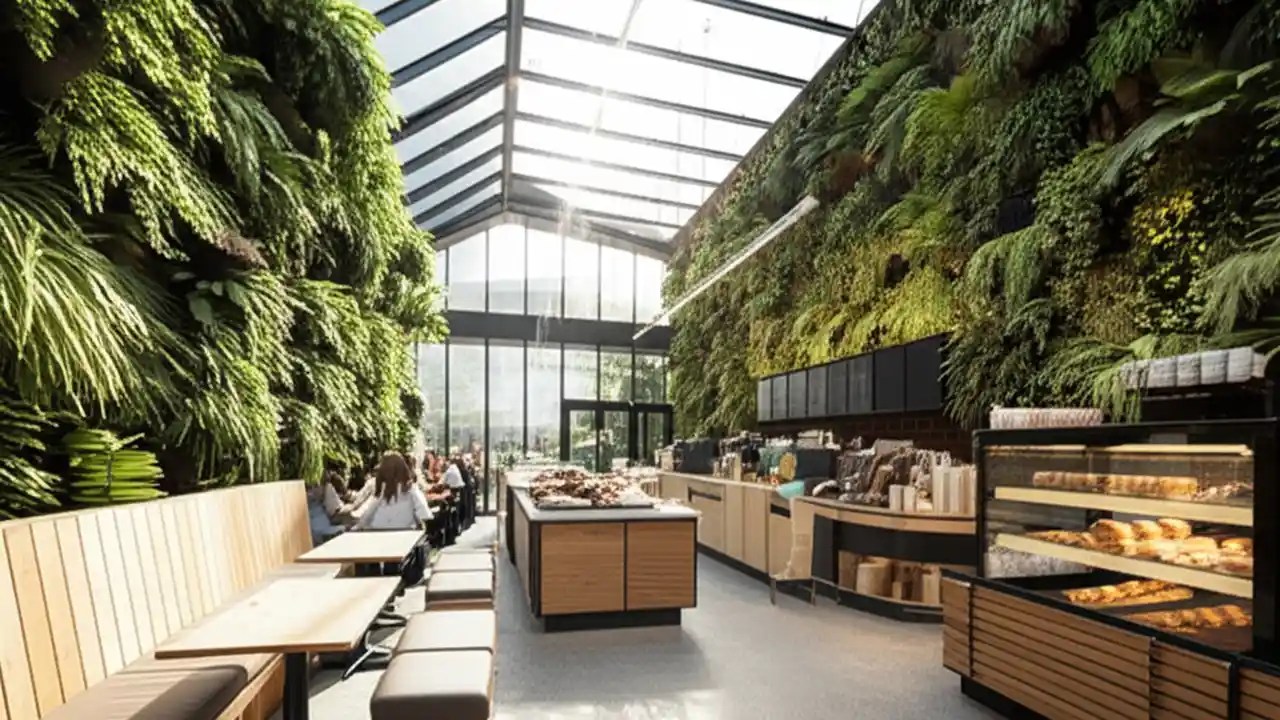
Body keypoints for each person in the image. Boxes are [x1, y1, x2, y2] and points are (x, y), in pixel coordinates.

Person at [356, 452, 433, 531]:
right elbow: (423, 511)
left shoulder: (383, 489)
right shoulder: (410, 489)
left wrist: (359, 526)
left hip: (379, 528)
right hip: (403, 529)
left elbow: (370, 511)